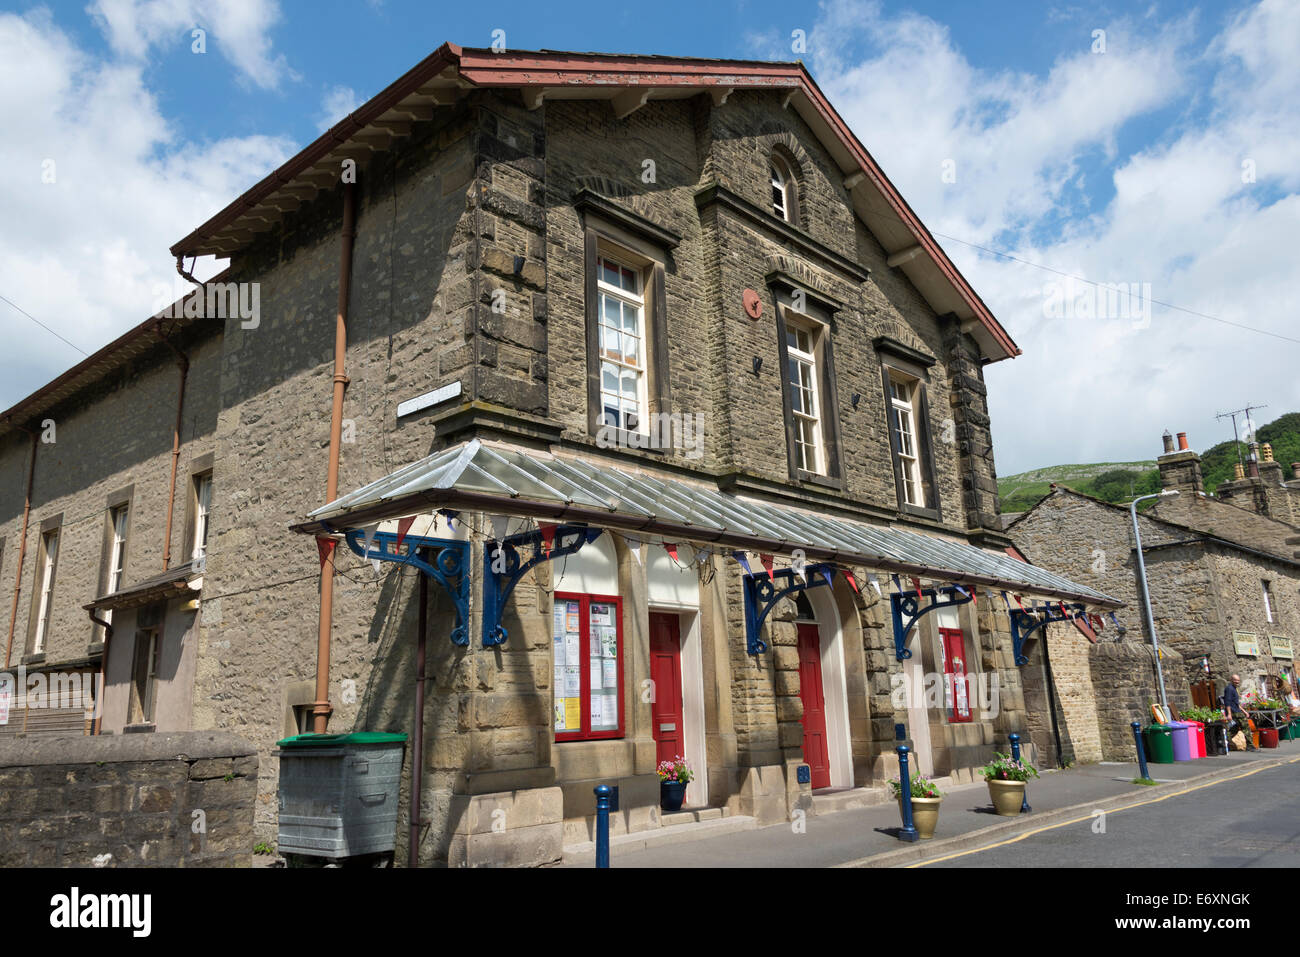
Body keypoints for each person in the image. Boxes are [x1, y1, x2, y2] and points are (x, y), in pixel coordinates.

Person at [1223, 674, 1258, 751]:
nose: (1237, 682)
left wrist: (1244, 711)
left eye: (1238, 680)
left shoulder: (1234, 688)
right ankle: (1250, 746)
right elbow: (1227, 702)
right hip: (1234, 713)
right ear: (1231, 680)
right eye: (1235, 680)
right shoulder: (1229, 689)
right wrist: (1229, 714)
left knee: (1233, 730)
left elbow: (1236, 703)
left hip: (1237, 711)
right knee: (1246, 728)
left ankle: (1226, 744)